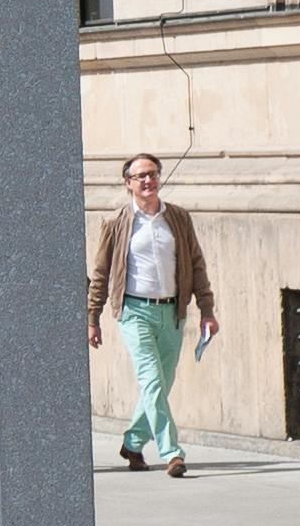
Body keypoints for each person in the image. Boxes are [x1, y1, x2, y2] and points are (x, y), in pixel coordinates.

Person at [89, 151, 217, 478]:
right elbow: (101, 273)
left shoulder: (177, 218)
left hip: (173, 312)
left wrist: (206, 310)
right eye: (140, 176)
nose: (148, 181)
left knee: (162, 382)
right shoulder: (117, 223)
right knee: (152, 381)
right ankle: (172, 452)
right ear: (128, 183)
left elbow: (197, 264)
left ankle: (133, 441)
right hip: (134, 311)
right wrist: (92, 318)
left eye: (153, 174)